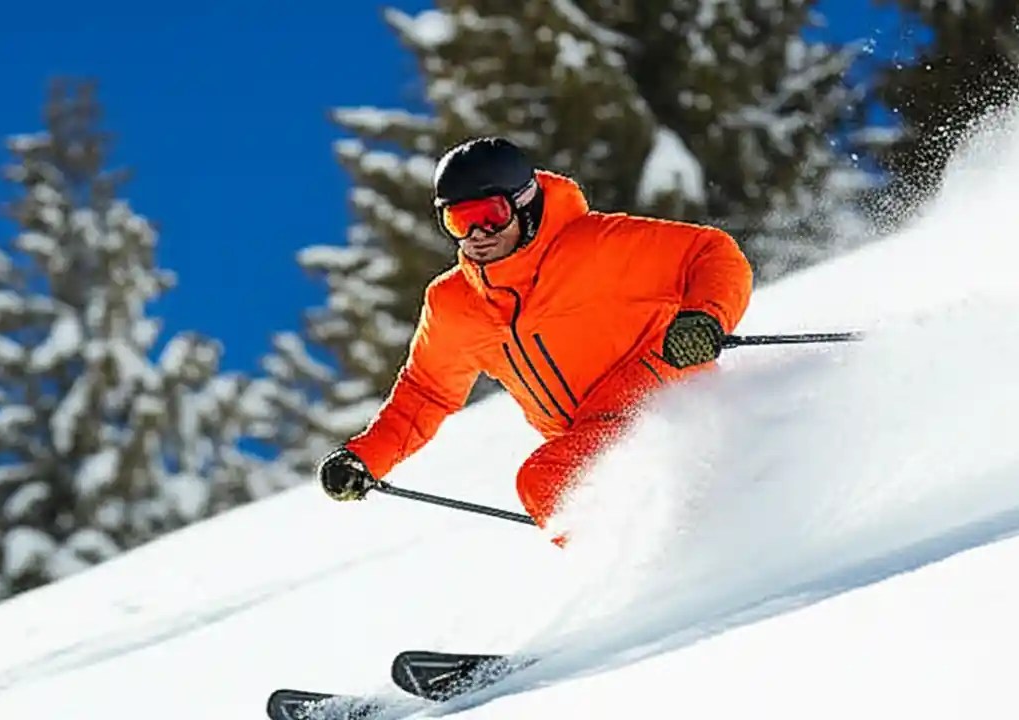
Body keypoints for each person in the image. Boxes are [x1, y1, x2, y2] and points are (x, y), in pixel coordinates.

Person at [315, 136, 753, 542]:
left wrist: (705, 318)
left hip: (662, 387)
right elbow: (425, 393)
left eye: (490, 216)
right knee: (560, 487)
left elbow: (710, 253)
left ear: (524, 205)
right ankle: (671, 559)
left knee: (545, 480)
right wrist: (365, 457)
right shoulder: (455, 305)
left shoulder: (593, 246)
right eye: (458, 221)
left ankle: (666, 564)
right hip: (587, 435)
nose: (477, 235)